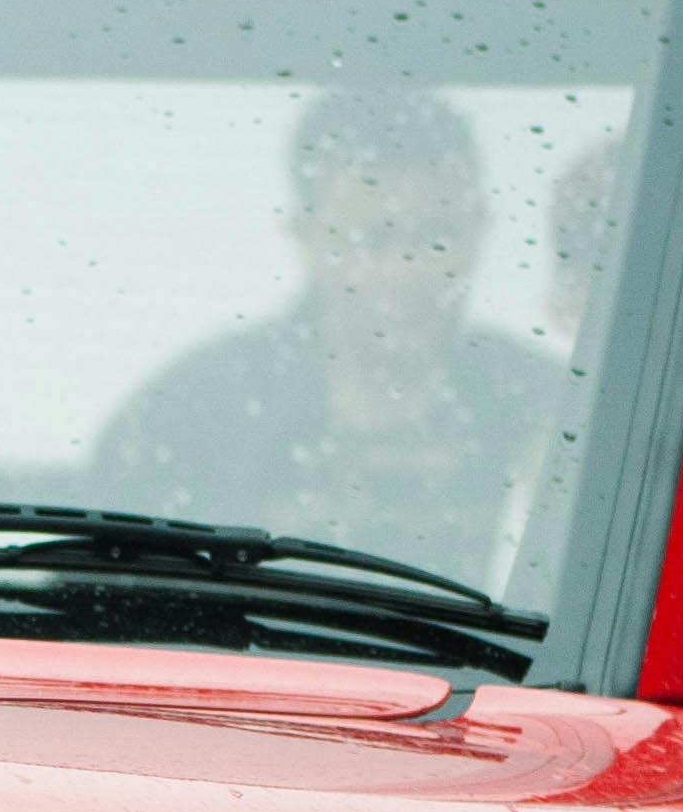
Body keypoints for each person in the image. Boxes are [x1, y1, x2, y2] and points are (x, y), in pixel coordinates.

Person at [86, 86, 561, 590]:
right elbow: (111, 605)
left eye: (438, 236)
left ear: (481, 227)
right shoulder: (185, 420)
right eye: (373, 239)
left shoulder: (553, 416)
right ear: (304, 235)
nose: (408, 269)